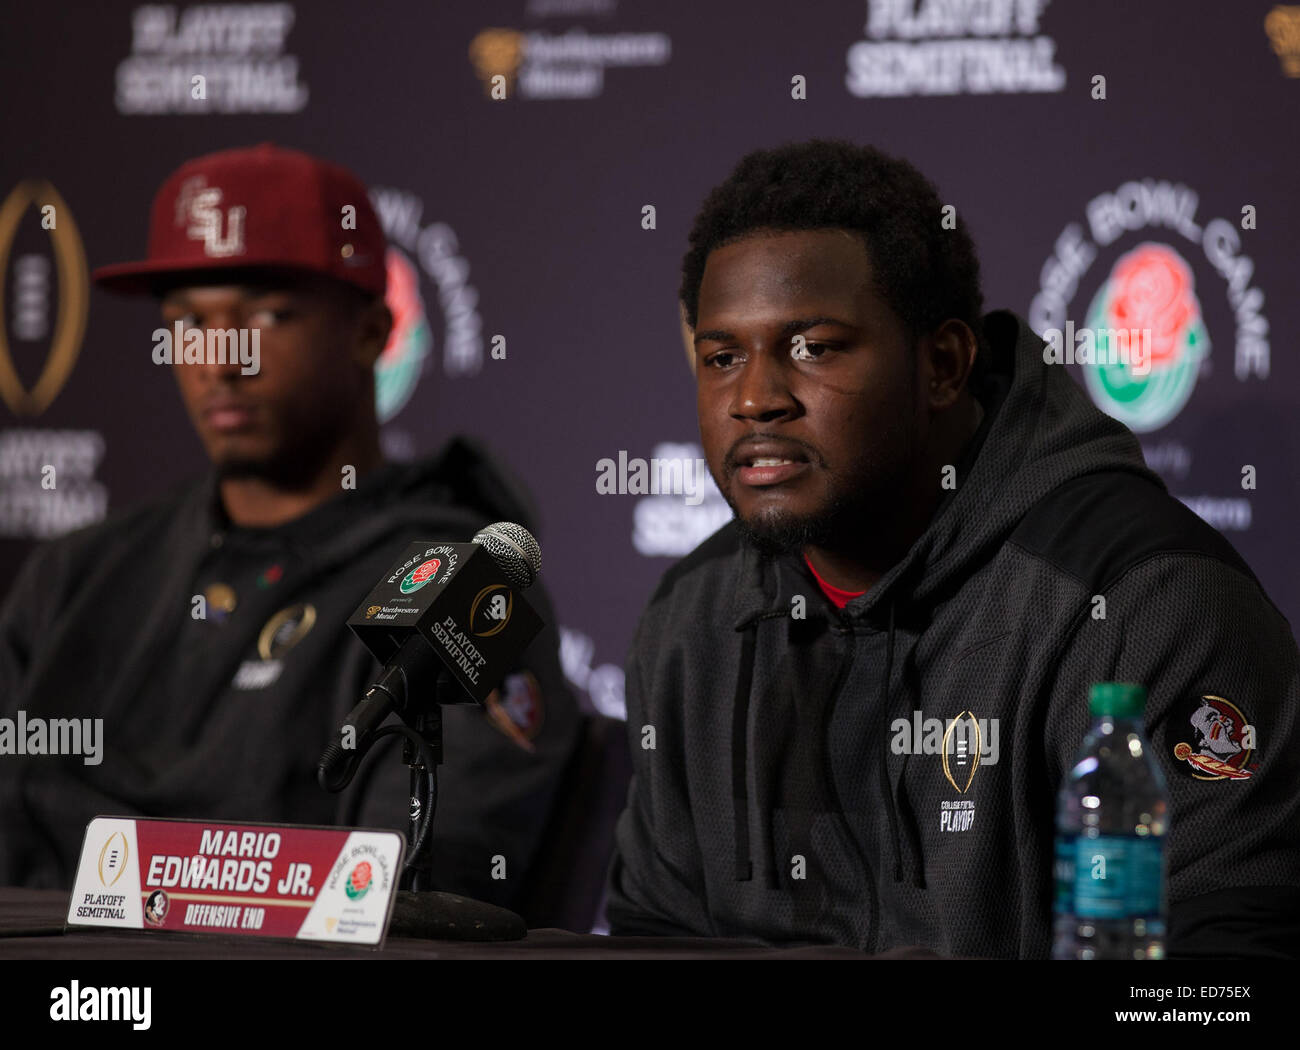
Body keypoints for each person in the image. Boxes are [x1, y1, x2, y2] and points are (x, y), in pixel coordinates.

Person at [605, 139, 1300, 958]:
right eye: (721, 357)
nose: (756, 397)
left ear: (941, 365)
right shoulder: (694, 620)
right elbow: (652, 942)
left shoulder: (1143, 600)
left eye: (814, 348)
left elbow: (1227, 981)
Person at [0, 144, 582, 918]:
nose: (220, 360)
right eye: (188, 322)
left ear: (372, 333)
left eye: (267, 315)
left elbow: (414, 910)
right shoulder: (75, 578)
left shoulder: (458, 595)